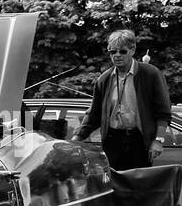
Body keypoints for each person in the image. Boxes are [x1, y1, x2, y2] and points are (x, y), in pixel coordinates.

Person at [72, 29, 172, 170]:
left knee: (138, 187)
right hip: (112, 141)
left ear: (132, 50)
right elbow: (94, 114)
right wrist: (77, 138)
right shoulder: (104, 79)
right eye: (113, 52)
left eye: (122, 51)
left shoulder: (151, 74)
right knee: (115, 187)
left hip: (140, 141)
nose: (117, 55)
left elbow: (163, 113)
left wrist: (158, 140)